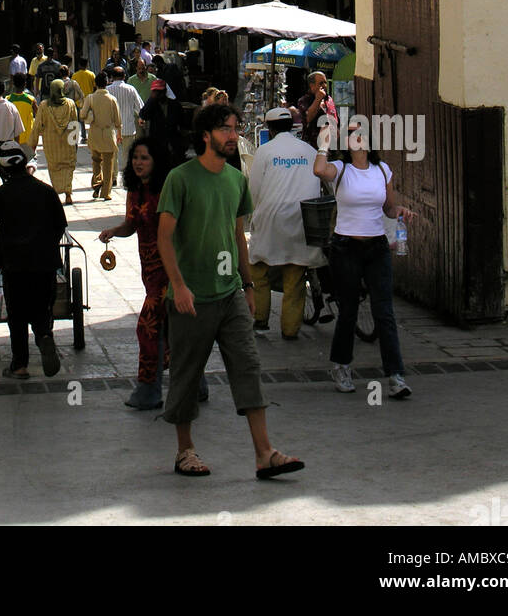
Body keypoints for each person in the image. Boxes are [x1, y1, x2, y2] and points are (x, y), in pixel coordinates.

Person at [156, 103, 305, 481]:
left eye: (236, 128)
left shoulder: (236, 180)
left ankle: (264, 454)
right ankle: (184, 451)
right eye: (225, 128)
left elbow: (239, 236)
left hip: (230, 294)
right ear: (206, 134)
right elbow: (164, 237)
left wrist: (250, 283)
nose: (233, 135)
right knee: (187, 375)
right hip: (191, 298)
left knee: (248, 367)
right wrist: (178, 286)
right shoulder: (180, 178)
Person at [313, 119, 416, 399]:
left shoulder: (382, 170)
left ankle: (395, 375)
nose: (357, 138)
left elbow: (389, 207)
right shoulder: (342, 169)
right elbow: (319, 169)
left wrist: (401, 212)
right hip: (346, 247)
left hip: (377, 247)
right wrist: (324, 143)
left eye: (362, 134)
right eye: (352, 134)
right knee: (348, 311)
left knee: (385, 312)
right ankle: (341, 365)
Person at [0, 140, 66, 380]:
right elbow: (60, 226)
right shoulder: (46, 191)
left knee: (16, 315)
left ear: (3, 169)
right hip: (45, 263)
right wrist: (47, 245)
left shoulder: (2, 194)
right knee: (42, 309)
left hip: (14, 265)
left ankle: (19, 365)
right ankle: (44, 336)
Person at [100, 138, 170, 409]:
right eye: (136, 158)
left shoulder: (166, 191)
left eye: (145, 158)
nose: (139, 163)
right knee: (174, 329)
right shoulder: (134, 191)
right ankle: (195, 386)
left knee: (148, 328)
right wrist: (113, 232)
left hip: (169, 269)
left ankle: (148, 389)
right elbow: (132, 224)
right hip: (149, 271)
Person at [247, 107, 325, 340]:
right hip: (303, 219)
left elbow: (254, 190)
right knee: (295, 273)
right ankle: (290, 329)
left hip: (270, 218)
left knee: (259, 269)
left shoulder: (265, 151)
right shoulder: (309, 151)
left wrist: (251, 215)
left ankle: (260, 320)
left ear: (269, 129)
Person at [28, 79, 79, 205]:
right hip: (67, 141)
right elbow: (74, 123)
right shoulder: (70, 104)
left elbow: (37, 126)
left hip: (51, 143)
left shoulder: (44, 106)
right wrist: (75, 142)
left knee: (54, 167)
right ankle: (68, 193)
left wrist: (32, 146)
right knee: (68, 166)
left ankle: (56, 193)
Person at [81, 71, 122, 201]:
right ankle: (106, 192)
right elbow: (117, 120)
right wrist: (119, 134)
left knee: (96, 161)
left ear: (96, 84)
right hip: (108, 134)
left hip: (95, 133)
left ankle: (97, 182)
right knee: (108, 165)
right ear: (107, 83)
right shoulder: (112, 99)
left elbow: (82, 115)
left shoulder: (90, 98)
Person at [138, 79, 183, 166]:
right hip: (156, 142)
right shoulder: (152, 105)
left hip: (172, 143)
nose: (158, 94)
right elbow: (143, 115)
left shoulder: (174, 105)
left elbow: (182, 122)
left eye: (159, 92)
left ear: (165, 91)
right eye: (155, 92)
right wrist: (151, 99)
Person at [108, 66, 144, 164]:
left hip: (112, 130)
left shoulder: (107, 90)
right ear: (124, 76)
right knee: (128, 157)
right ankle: (126, 177)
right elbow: (140, 107)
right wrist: (141, 119)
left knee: (112, 156)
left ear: (112, 77)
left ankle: (113, 177)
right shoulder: (131, 89)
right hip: (128, 128)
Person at [297, 70, 338, 150]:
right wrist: (318, 99)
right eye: (321, 83)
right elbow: (308, 118)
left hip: (331, 147)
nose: (324, 85)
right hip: (313, 147)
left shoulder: (329, 99)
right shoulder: (304, 100)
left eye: (325, 82)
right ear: (312, 86)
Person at [7, 71, 37, 144]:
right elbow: (39, 115)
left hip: (13, 138)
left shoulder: (8, 99)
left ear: (14, 84)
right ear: (25, 84)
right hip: (28, 138)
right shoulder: (31, 100)